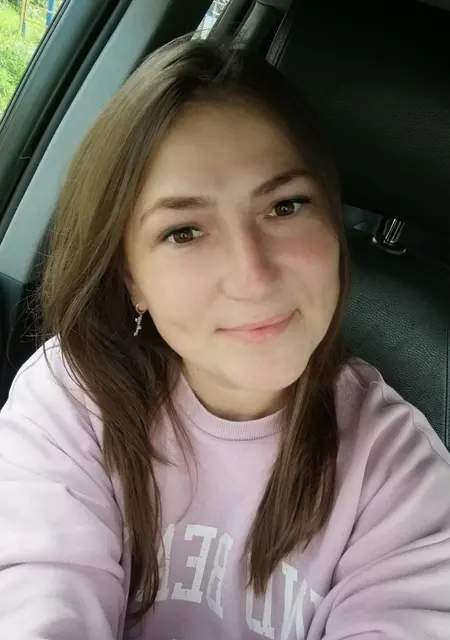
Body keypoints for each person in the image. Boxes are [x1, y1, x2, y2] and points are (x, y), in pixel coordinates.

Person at [0, 36, 449, 640]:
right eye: (184, 232)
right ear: (132, 278)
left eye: (285, 206)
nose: (252, 276)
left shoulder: (400, 473)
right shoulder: (70, 402)